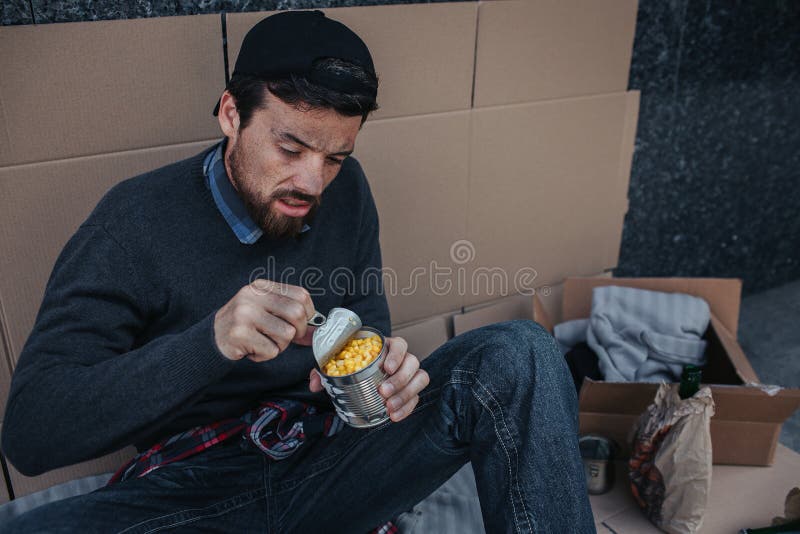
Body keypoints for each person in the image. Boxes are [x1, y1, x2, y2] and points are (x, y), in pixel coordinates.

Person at [1, 10, 594, 533]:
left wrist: (386, 376)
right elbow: (31, 434)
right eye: (290, 149)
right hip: (195, 488)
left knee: (521, 352)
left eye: (334, 158)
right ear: (231, 114)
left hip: (328, 462)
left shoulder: (347, 193)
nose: (312, 183)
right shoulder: (131, 222)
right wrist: (211, 342)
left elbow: (370, 328)